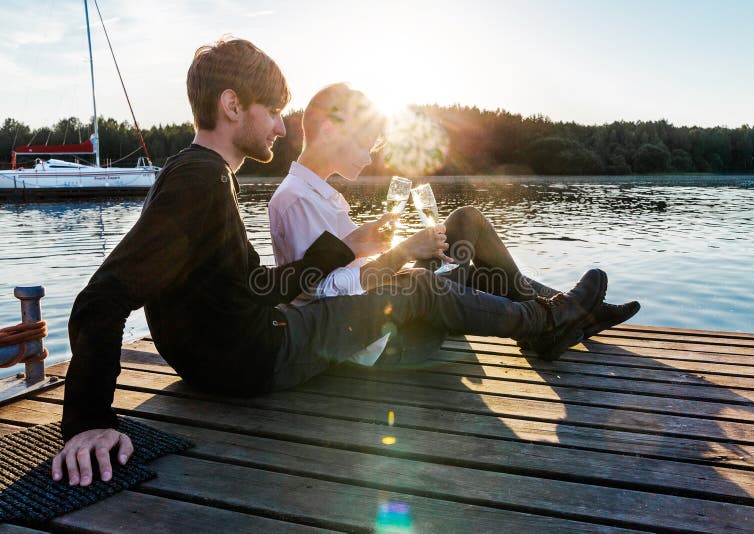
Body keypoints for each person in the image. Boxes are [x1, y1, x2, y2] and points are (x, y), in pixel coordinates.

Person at [52, 38, 607, 488]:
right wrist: (87, 421)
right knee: (418, 292)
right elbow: (101, 299)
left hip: (234, 353)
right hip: (256, 359)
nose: (278, 127)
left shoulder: (195, 173)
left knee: (419, 286)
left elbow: (254, 285)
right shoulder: (199, 179)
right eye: (272, 112)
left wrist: (346, 244)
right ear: (232, 105)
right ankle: (548, 322)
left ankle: (547, 316)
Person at [268, 83, 639, 360]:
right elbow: (325, 291)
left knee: (474, 265)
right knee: (466, 223)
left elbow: (340, 269)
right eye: (365, 143)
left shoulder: (317, 194)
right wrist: (404, 252)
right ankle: (558, 320)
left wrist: (378, 246)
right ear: (330, 130)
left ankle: (571, 316)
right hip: (373, 336)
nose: (368, 157)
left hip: (376, 309)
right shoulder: (296, 199)